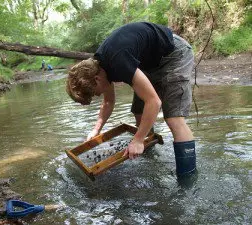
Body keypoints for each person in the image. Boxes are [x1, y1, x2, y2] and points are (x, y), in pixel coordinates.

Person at [66, 22, 196, 177]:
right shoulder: (99, 66)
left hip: (174, 54)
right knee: (139, 112)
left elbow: (154, 102)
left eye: (95, 93)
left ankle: (188, 179)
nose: (98, 95)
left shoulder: (118, 61)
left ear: (97, 79)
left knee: (174, 119)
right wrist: (96, 130)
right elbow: (108, 102)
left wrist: (138, 139)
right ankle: (148, 156)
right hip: (150, 63)